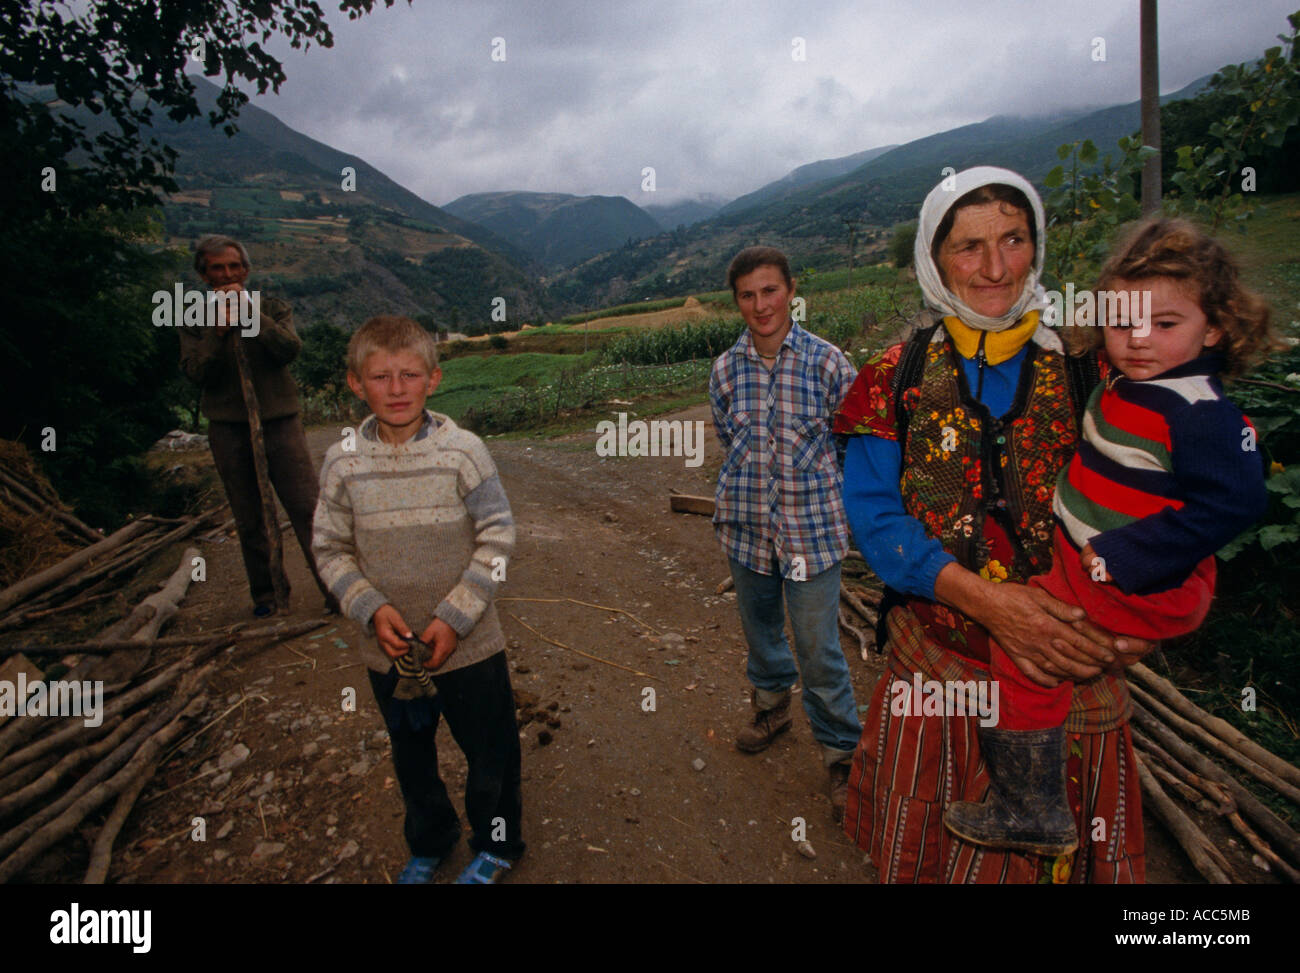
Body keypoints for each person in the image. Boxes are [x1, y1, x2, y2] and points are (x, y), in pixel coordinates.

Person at [834, 167, 1156, 883]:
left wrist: (1142, 623)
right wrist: (990, 604)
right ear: (934, 258)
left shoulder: (1092, 365)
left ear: (1036, 246)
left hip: (1071, 667)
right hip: (945, 666)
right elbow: (877, 518)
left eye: (1014, 239)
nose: (996, 267)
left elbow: (1168, 494)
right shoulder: (893, 377)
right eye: (969, 247)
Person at [945, 217, 1275, 854]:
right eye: (1122, 322)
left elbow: (1237, 501)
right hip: (1095, 564)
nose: (1138, 340)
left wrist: (1130, 555)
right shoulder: (1134, 381)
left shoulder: (1201, 411)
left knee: (1026, 656)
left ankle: (1031, 807)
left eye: (1165, 324)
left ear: (1216, 327)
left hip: (1121, 576)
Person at [312, 315, 522, 884]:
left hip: (471, 644)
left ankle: (498, 842)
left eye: (409, 375)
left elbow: (499, 537)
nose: (396, 389)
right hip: (389, 650)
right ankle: (430, 839)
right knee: (411, 754)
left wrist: (456, 618)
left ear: (434, 378)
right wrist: (368, 608)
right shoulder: (343, 461)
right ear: (356, 384)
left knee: (491, 751)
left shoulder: (465, 452)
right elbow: (329, 548)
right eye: (381, 377)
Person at [709, 245, 861, 822]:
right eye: (747, 295)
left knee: (819, 649)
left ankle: (841, 751)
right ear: (737, 303)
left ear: (791, 290)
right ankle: (771, 707)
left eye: (770, 290)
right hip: (747, 531)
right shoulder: (725, 371)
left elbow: (851, 445)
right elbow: (730, 442)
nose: (760, 305)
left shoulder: (829, 364)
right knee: (760, 632)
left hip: (813, 536)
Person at [177, 235, 334, 616]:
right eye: (217, 267)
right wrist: (216, 334)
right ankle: (267, 595)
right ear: (203, 274)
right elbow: (194, 372)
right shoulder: (193, 318)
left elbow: (289, 350)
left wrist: (251, 317)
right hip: (228, 428)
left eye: (234, 266)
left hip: (279, 422)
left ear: (246, 270)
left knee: (307, 508)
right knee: (249, 516)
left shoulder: (273, 307)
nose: (227, 274)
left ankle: (335, 588)